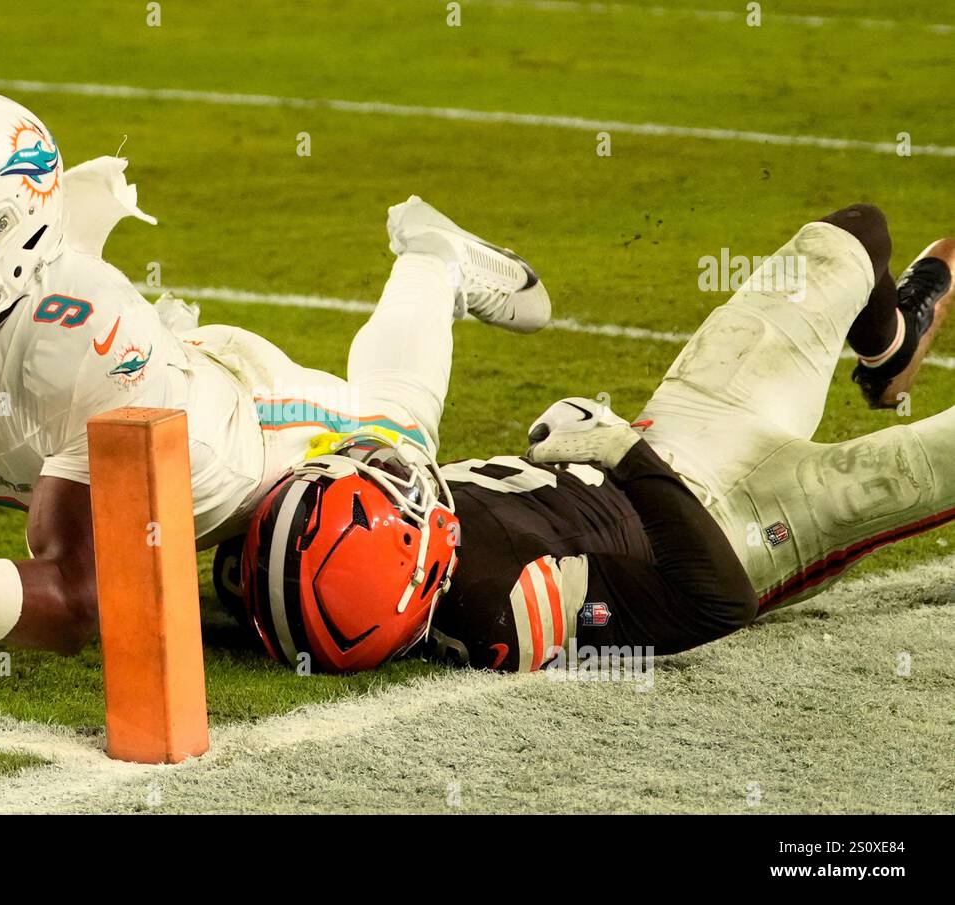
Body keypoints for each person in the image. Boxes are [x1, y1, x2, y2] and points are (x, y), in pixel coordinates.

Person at [0, 90, 551, 655]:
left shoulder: (82, 339)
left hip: (252, 433)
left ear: (16, 240)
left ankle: (430, 260)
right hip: (142, 400)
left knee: (396, 448)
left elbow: (77, 606)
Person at [238, 204, 955, 672]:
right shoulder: (506, 608)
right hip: (741, 523)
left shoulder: (288, 571)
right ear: (417, 571)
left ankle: (890, 347)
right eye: (400, 502)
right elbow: (717, 601)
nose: (395, 471)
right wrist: (621, 452)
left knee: (850, 239)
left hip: (677, 430)